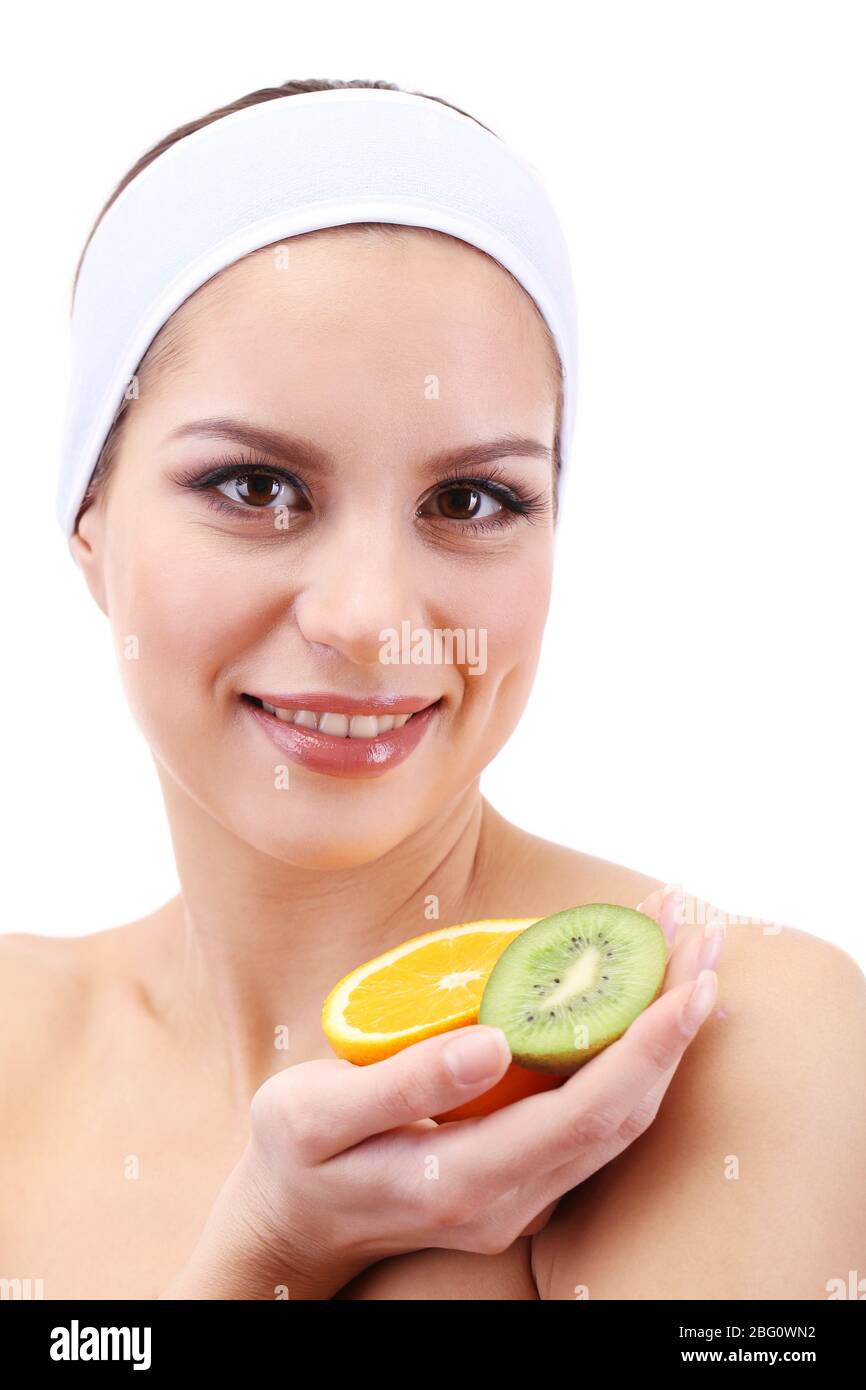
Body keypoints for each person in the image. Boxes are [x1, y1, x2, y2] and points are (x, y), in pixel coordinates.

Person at [2, 79, 863, 1301]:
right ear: (86, 520)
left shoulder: (724, 1040)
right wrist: (264, 1256)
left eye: (470, 502)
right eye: (254, 486)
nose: (368, 621)